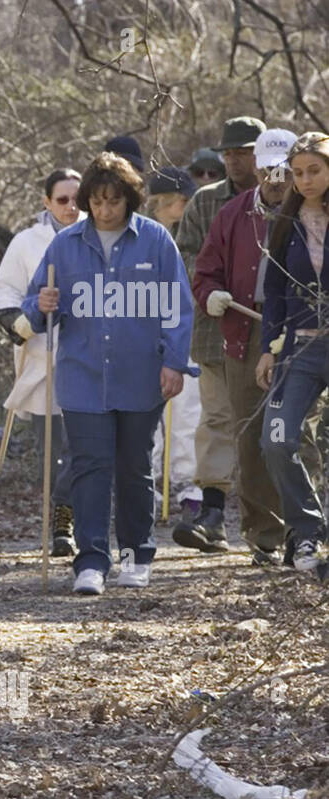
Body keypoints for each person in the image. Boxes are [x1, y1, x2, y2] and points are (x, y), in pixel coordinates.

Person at [23, 152, 193, 595]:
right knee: (89, 467)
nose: (104, 210)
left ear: (129, 200)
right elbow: (34, 308)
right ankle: (91, 560)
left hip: (142, 376)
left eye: (113, 201)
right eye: (96, 202)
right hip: (82, 378)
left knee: (134, 467)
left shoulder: (155, 241)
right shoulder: (64, 245)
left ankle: (136, 554)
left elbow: (178, 306)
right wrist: (41, 306)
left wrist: (175, 362)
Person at [194, 128, 316, 565]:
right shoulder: (231, 214)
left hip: (301, 336)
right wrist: (210, 294)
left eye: (286, 172)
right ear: (258, 170)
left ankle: (304, 532)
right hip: (244, 336)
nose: (278, 180)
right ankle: (265, 534)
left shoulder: (311, 215)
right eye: (269, 171)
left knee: (293, 435)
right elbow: (204, 269)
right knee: (251, 441)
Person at [173, 116, 266, 552]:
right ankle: (211, 515)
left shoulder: (286, 197)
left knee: (271, 428)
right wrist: (208, 288)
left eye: (242, 151)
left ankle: (277, 523)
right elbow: (185, 255)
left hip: (274, 332)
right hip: (216, 331)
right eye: (228, 152)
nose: (233, 159)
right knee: (216, 420)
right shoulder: (206, 202)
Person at [0, 167, 83, 556]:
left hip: (91, 356)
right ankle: (60, 518)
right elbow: (5, 295)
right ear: (46, 202)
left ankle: (82, 515)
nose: (71, 207)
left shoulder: (97, 236)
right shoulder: (27, 242)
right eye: (62, 200)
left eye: (78, 198)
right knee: (54, 448)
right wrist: (28, 319)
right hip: (44, 358)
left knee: (87, 444)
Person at [257, 132, 329, 571]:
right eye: (297, 172)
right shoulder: (284, 224)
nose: (304, 180)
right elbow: (275, 292)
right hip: (297, 349)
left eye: (314, 170)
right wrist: (267, 349)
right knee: (276, 438)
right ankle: (305, 534)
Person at [145, 166, 203, 519]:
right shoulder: (141, 234)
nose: (187, 205)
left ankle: (187, 483)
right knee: (148, 412)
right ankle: (148, 481)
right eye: (183, 200)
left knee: (188, 410)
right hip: (145, 334)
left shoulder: (193, 234)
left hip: (188, 331)